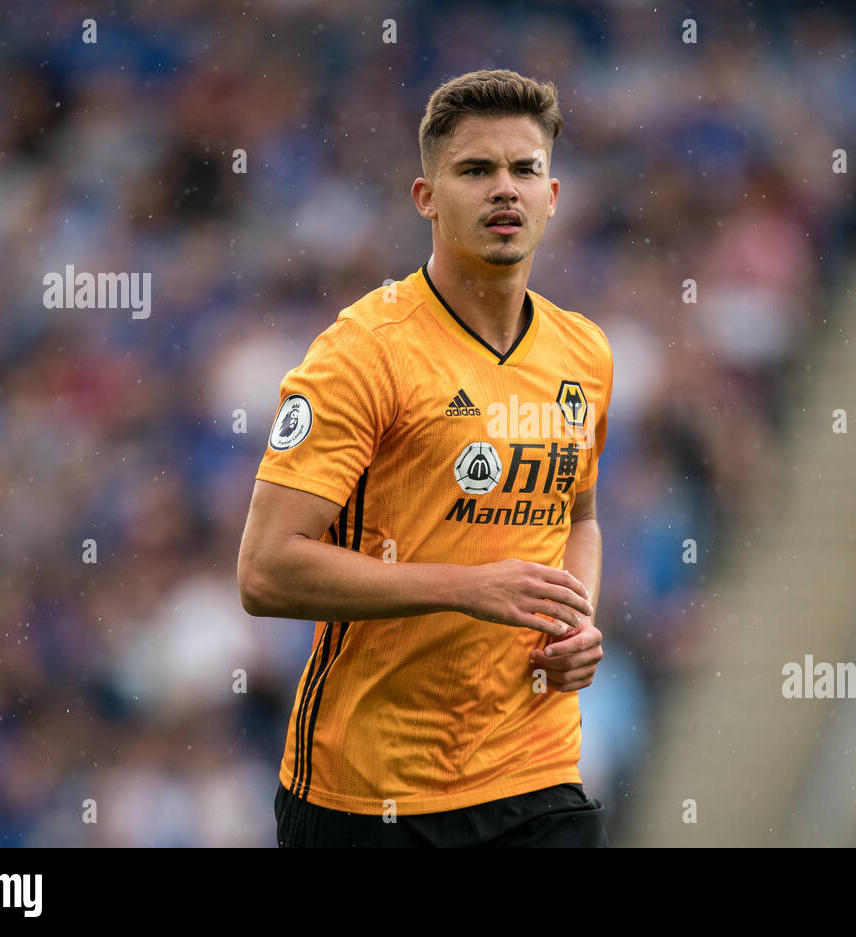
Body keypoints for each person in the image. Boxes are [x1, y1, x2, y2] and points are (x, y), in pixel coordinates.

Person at [238, 69, 614, 847]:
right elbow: (266, 571)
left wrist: (576, 616)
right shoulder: (362, 353)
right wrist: (468, 589)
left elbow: (579, 517)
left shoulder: (586, 351)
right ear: (426, 196)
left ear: (553, 195)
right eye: (475, 170)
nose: (504, 189)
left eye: (524, 170)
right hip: (369, 794)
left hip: (534, 770)